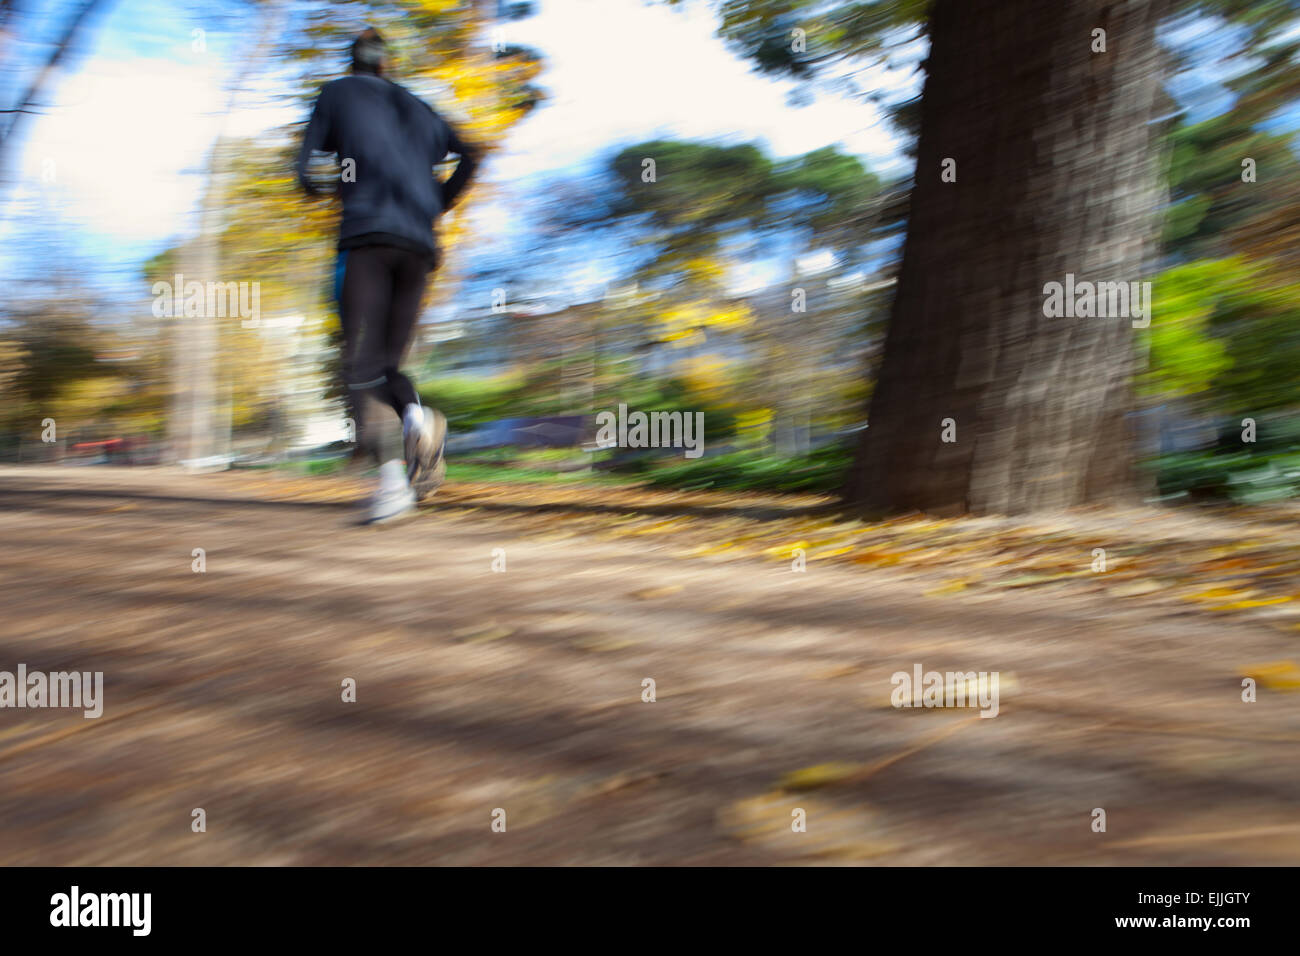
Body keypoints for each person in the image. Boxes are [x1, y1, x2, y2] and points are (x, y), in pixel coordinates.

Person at [296, 27, 480, 522]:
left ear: (352, 62)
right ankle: (418, 419)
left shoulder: (335, 93)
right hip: (419, 247)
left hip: (366, 240)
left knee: (359, 364)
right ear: (386, 65)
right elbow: (473, 152)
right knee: (385, 366)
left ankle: (391, 485)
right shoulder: (420, 107)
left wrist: (324, 191)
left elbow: (305, 168)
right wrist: (436, 205)